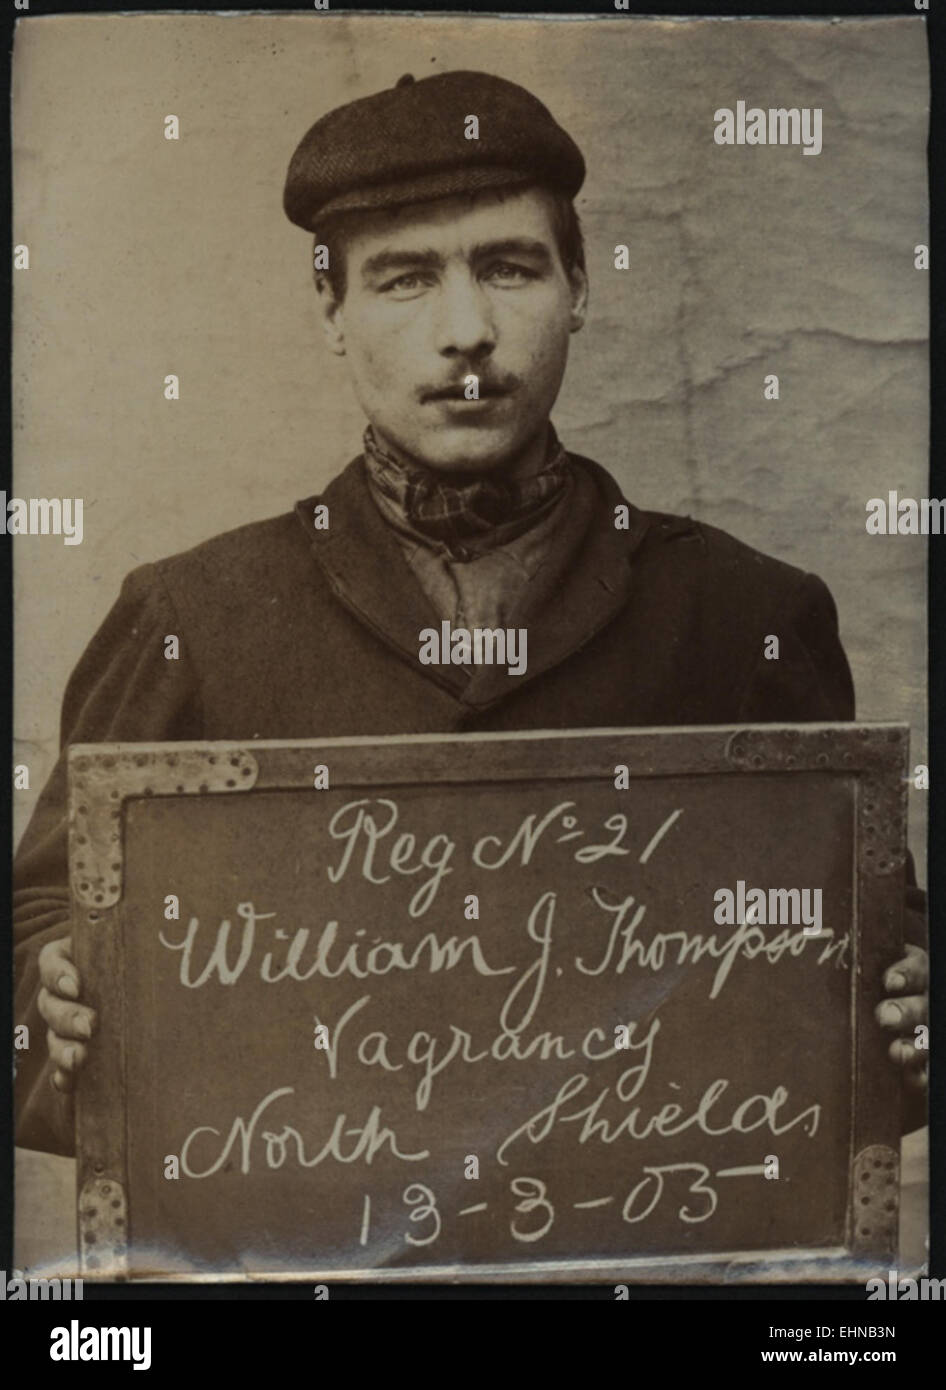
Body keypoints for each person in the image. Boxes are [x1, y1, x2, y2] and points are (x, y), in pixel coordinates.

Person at [14, 69, 927, 1156]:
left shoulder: (746, 615)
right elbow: (42, 917)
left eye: (508, 267)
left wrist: (907, 999)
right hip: (304, 1242)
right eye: (403, 280)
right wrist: (54, 986)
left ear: (579, 286)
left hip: (637, 1229)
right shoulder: (190, 618)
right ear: (331, 312)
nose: (467, 330)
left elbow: (862, 934)